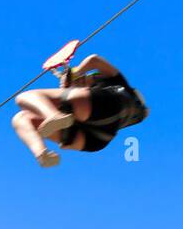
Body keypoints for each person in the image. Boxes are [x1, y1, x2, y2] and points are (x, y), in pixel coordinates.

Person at [10, 54, 148, 167]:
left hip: (102, 112)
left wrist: (75, 73)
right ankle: (42, 153)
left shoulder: (119, 84)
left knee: (25, 97)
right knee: (22, 118)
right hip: (99, 137)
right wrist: (69, 85)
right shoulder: (130, 112)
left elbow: (93, 59)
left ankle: (42, 149)